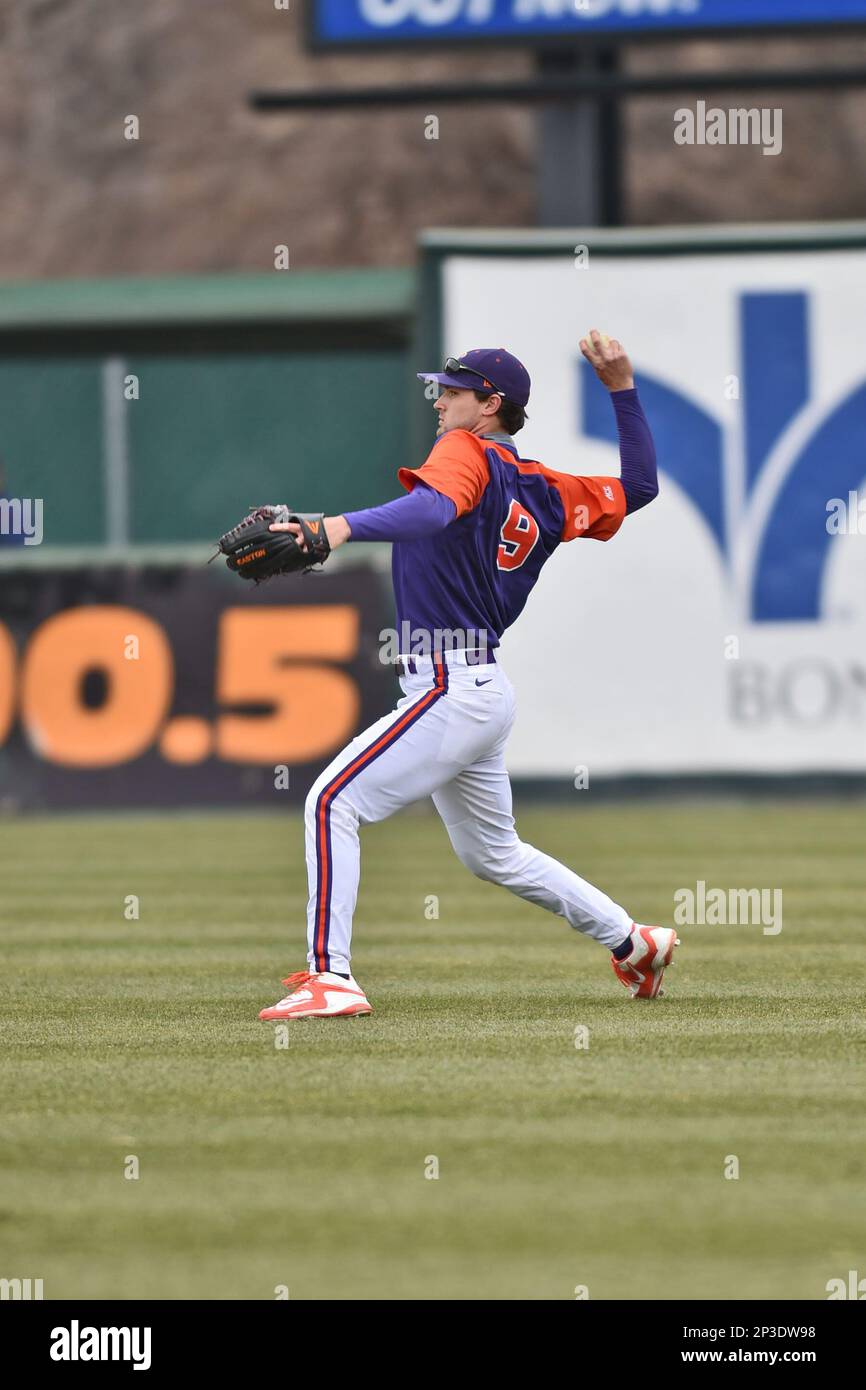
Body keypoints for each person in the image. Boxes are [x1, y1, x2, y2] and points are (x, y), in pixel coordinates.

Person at [258, 333, 677, 1020]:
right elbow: (638, 488)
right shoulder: (546, 489)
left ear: (491, 405)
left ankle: (332, 979)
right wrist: (622, 390)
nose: (440, 400)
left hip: (450, 686)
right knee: (495, 854)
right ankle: (635, 944)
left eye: (453, 391)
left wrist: (333, 528)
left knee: (332, 803)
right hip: (479, 689)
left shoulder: (462, 450)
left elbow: (432, 510)